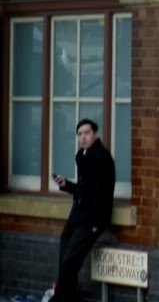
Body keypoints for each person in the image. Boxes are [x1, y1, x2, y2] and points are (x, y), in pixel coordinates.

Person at [49, 118, 116, 302]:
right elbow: (84, 188)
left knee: (70, 261)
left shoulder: (102, 157)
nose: (83, 137)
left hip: (90, 221)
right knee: (65, 260)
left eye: (87, 133)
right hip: (76, 216)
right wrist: (67, 185)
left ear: (96, 134)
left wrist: (97, 223)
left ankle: (59, 299)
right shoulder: (82, 155)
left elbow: (103, 192)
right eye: (80, 134)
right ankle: (67, 297)